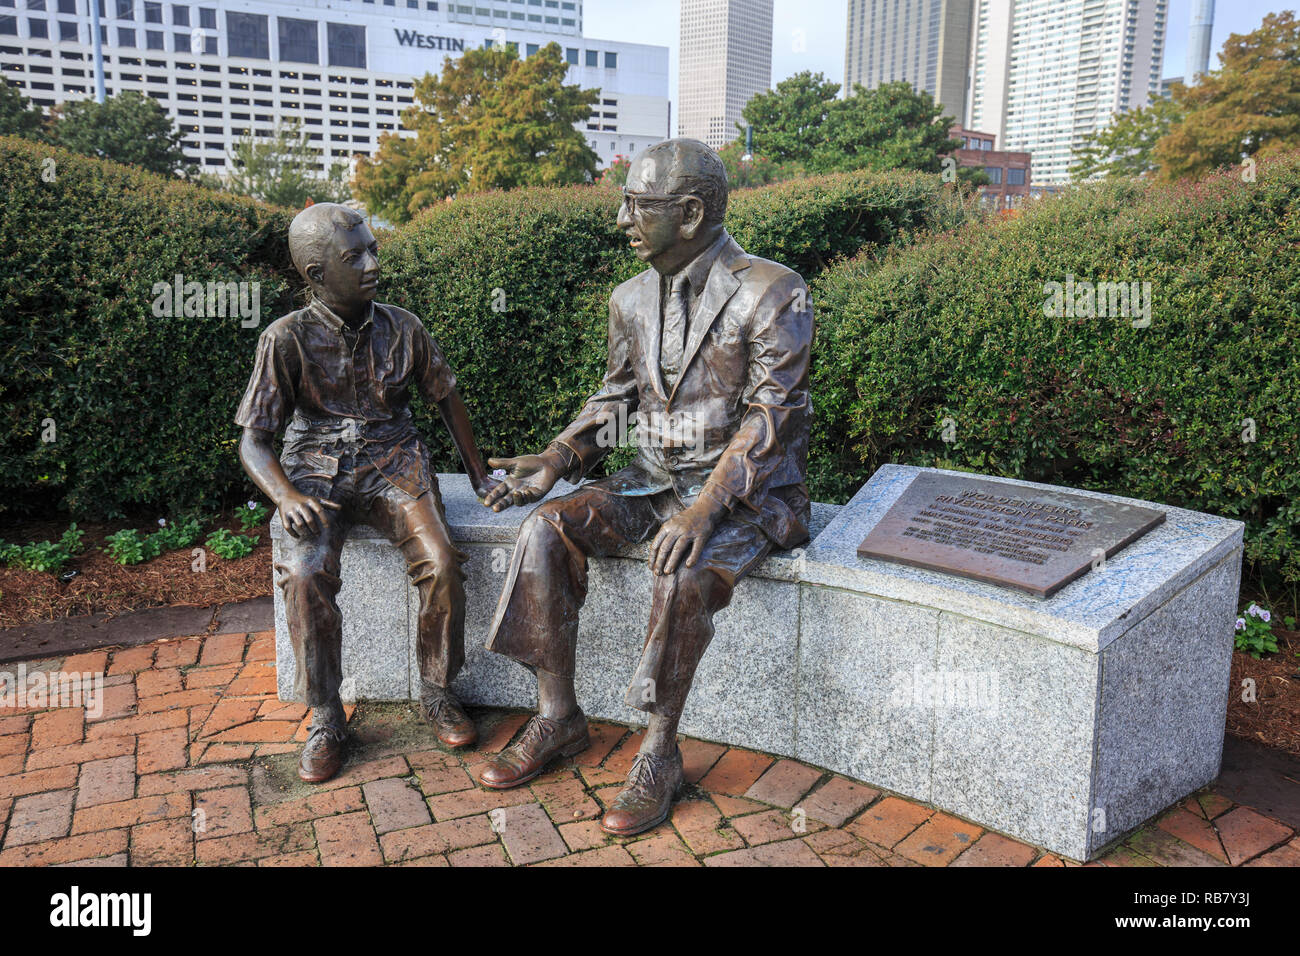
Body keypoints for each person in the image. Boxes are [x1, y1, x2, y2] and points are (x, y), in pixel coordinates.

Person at [480, 139, 813, 836]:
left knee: (682, 564)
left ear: (689, 212)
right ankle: (557, 716)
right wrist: (558, 456)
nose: (623, 217)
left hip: (744, 494)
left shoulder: (772, 290)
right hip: (653, 479)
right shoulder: (628, 297)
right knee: (545, 527)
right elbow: (617, 400)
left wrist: (703, 510)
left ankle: (660, 753)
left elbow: (772, 417)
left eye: (639, 204)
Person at [236, 203, 497, 783]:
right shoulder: (285, 339)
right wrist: (283, 496)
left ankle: (437, 689)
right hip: (315, 471)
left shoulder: (404, 326)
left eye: (373, 249)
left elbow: (446, 399)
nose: (373, 263)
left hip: (394, 463)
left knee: (444, 561)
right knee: (306, 574)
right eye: (355, 257)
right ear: (314, 272)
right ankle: (327, 716)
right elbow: (253, 441)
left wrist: (478, 475)